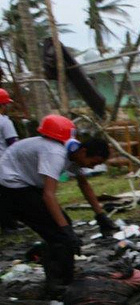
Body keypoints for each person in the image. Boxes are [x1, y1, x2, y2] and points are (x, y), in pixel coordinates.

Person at [0, 115, 114, 293]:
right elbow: (49, 195)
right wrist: (66, 230)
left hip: (23, 183)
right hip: (10, 187)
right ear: (84, 152)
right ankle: (59, 284)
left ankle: (61, 276)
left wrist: (100, 215)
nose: (92, 167)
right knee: (60, 234)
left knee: (59, 229)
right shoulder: (54, 153)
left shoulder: (73, 151)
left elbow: (84, 184)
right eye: (94, 162)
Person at [0, 88, 21, 234]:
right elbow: (13, 144)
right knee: (7, 194)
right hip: (4, 162)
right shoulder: (4, 122)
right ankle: (10, 224)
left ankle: (7, 223)